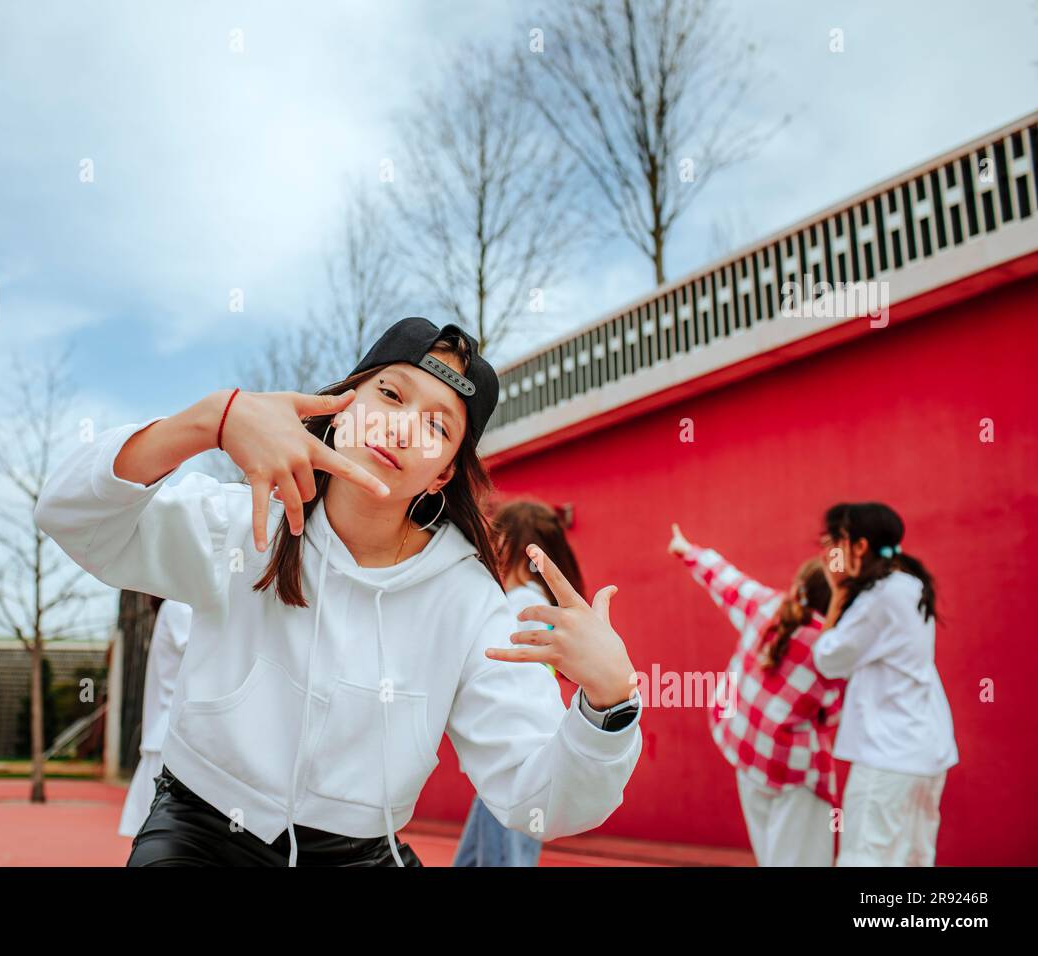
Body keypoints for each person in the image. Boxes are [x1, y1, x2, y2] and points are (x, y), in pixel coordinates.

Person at [34, 317, 644, 867]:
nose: (402, 427)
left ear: (444, 472)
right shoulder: (247, 522)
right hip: (200, 831)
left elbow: (536, 797)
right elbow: (71, 515)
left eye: (436, 424)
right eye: (390, 394)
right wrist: (210, 420)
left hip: (359, 853)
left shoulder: (470, 603)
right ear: (344, 404)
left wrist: (608, 704)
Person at [668, 523, 844, 866]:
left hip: (746, 751)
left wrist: (687, 550)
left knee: (769, 855)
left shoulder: (767, 607)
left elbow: (726, 579)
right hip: (794, 771)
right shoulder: (832, 650)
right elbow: (834, 713)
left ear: (799, 587)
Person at [814, 502, 957, 867]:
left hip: (889, 757)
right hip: (926, 752)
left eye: (837, 540)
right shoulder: (909, 585)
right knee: (914, 858)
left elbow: (828, 658)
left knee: (865, 858)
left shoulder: (878, 598)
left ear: (858, 546)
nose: (831, 550)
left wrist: (839, 592)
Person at [453, 500, 585, 867]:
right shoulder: (545, 604)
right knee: (483, 850)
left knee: (502, 853)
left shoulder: (519, 602)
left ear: (510, 547)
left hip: (516, 744)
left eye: (496, 541)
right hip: (529, 741)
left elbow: (492, 654)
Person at [118, 598, 192, 838]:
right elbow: (208, 649)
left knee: (162, 839)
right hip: (173, 740)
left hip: (169, 737)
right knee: (168, 838)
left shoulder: (174, 607)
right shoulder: (179, 605)